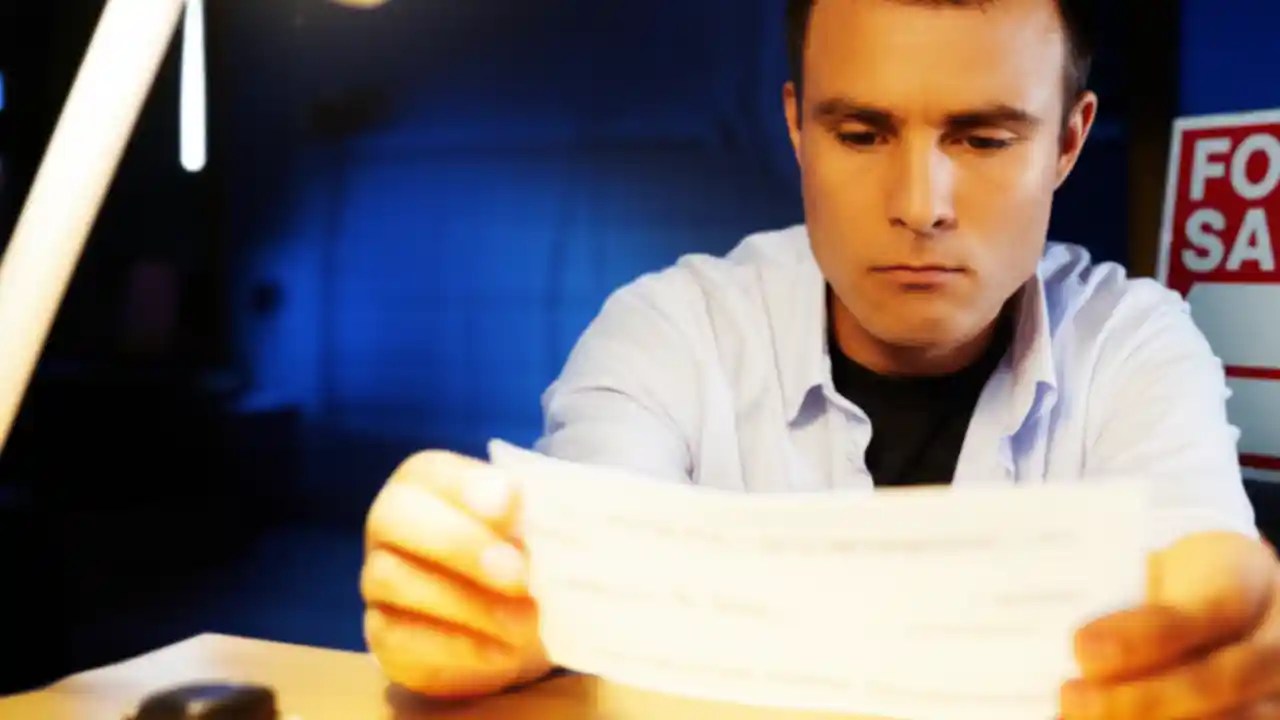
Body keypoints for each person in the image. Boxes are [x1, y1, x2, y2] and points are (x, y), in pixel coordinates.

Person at [359, 0, 1280, 717]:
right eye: (863, 133)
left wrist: (1222, 641)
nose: (922, 205)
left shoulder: (1137, 345)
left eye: (985, 137)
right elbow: (569, 576)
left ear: (1069, 141)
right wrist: (488, 605)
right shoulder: (669, 333)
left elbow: (1197, 577)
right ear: (798, 126)